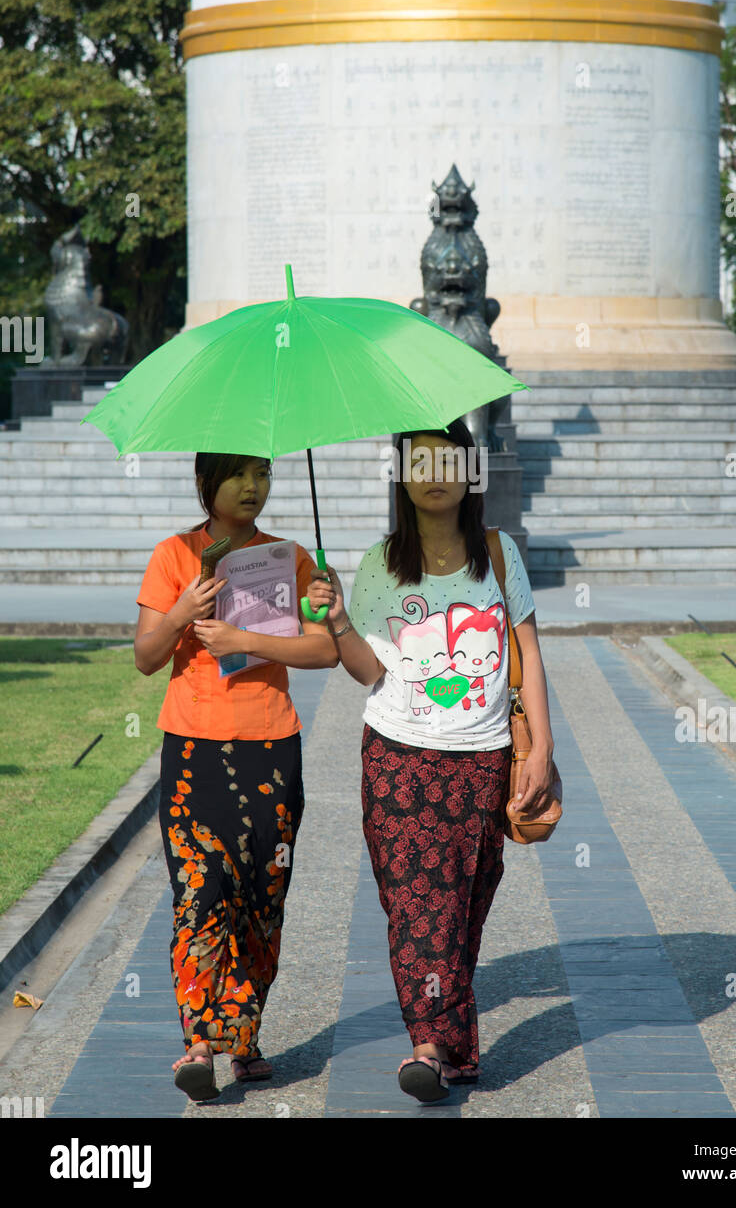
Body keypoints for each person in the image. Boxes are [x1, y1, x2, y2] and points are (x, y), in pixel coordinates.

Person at [305, 420, 556, 1102]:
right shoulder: (380, 563)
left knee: (463, 905)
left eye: (448, 460)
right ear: (402, 476)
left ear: (471, 475)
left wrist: (544, 750)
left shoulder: (498, 555)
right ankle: (427, 1045)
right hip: (396, 757)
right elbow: (363, 670)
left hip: (481, 757)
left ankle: (452, 1047)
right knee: (417, 905)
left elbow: (528, 654)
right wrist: (333, 618)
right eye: (420, 461)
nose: (434, 473)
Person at [134, 452, 337, 1101]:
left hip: (270, 746)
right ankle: (199, 1040)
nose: (252, 488)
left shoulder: (289, 557)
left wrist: (247, 644)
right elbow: (144, 656)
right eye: (238, 474)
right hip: (192, 746)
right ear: (206, 483)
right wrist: (180, 613)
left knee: (260, 895)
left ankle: (241, 1036)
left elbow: (324, 649)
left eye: (263, 474)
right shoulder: (174, 554)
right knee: (200, 890)